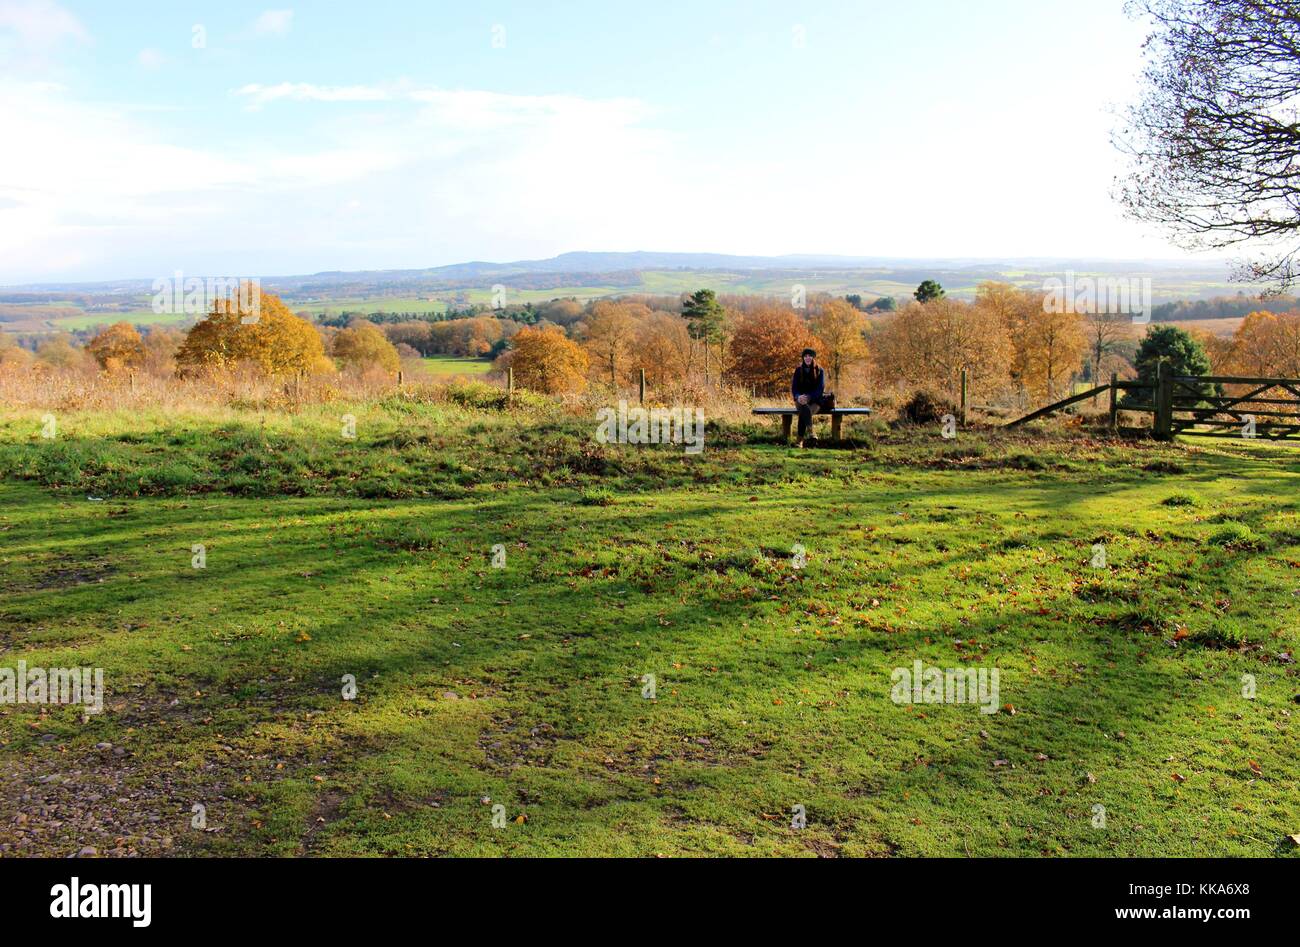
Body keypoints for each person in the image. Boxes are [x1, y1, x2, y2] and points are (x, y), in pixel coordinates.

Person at [791, 348, 826, 446]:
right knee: (803, 406)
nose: (807, 358)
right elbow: (794, 388)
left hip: (815, 401)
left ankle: (799, 442)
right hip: (800, 400)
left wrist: (809, 397)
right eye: (805, 356)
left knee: (804, 412)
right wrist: (798, 396)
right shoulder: (798, 370)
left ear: (813, 358)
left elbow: (820, 389)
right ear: (803, 358)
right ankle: (811, 432)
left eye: (810, 356)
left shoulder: (820, 371)